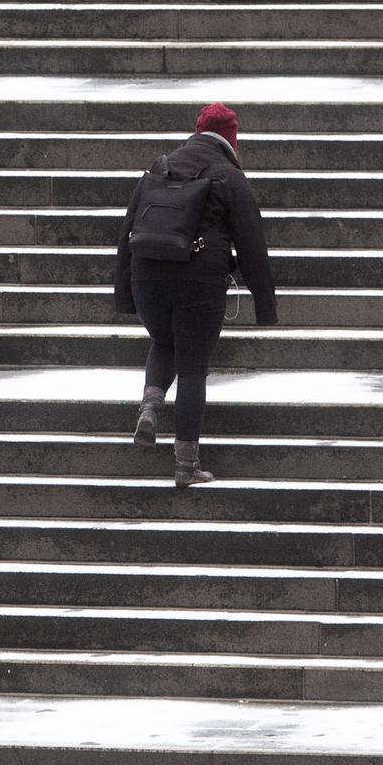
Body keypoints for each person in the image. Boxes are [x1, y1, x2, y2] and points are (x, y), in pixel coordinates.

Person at [114, 102, 278, 486]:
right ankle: (186, 466)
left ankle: (151, 403)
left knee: (164, 339)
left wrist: (125, 296)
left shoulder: (160, 166)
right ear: (231, 139)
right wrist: (265, 306)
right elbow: (253, 244)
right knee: (192, 369)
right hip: (199, 282)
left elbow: (127, 233)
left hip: (147, 278)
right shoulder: (228, 175)